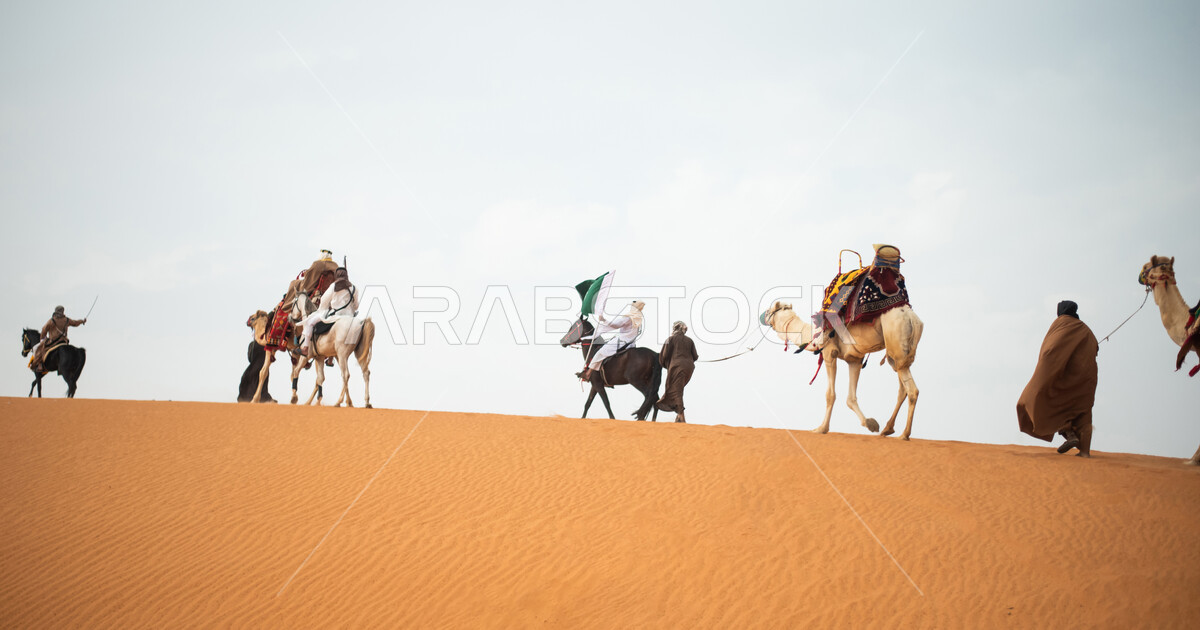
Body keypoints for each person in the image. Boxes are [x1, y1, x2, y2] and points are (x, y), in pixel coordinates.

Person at [1017, 300, 1099, 457]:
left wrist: (1044, 373)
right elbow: (1095, 347)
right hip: (1087, 380)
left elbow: (1050, 352)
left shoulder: (1062, 324)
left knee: (1033, 399)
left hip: (1066, 378)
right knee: (1082, 411)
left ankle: (1069, 434)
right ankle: (1084, 452)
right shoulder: (1085, 329)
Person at [578, 300, 645, 381]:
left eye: (632, 306)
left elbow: (614, 325)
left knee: (600, 352)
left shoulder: (628, 318)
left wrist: (604, 320)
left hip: (621, 342)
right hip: (631, 344)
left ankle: (588, 374)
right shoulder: (638, 319)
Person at [299, 267, 359, 355]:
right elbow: (356, 305)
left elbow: (324, 300)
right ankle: (330, 359)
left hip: (336, 315)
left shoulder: (334, 286)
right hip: (350, 317)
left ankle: (305, 348)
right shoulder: (354, 288)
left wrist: (323, 309)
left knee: (310, 322)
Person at [656, 321, 698, 423]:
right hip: (689, 368)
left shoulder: (670, 339)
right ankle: (679, 417)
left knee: (677, 391)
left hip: (677, 367)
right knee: (678, 389)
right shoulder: (690, 340)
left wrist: (667, 365)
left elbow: (663, 356)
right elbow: (695, 357)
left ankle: (681, 417)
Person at [30, 306, 86, 372]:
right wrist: (82, 321)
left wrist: (42, 339)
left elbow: (44, 329)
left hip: (53, 342)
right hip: (63, 341)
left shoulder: (52, 320)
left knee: (37, 348)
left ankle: (39, 365)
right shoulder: (67, 320)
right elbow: (75, 323)